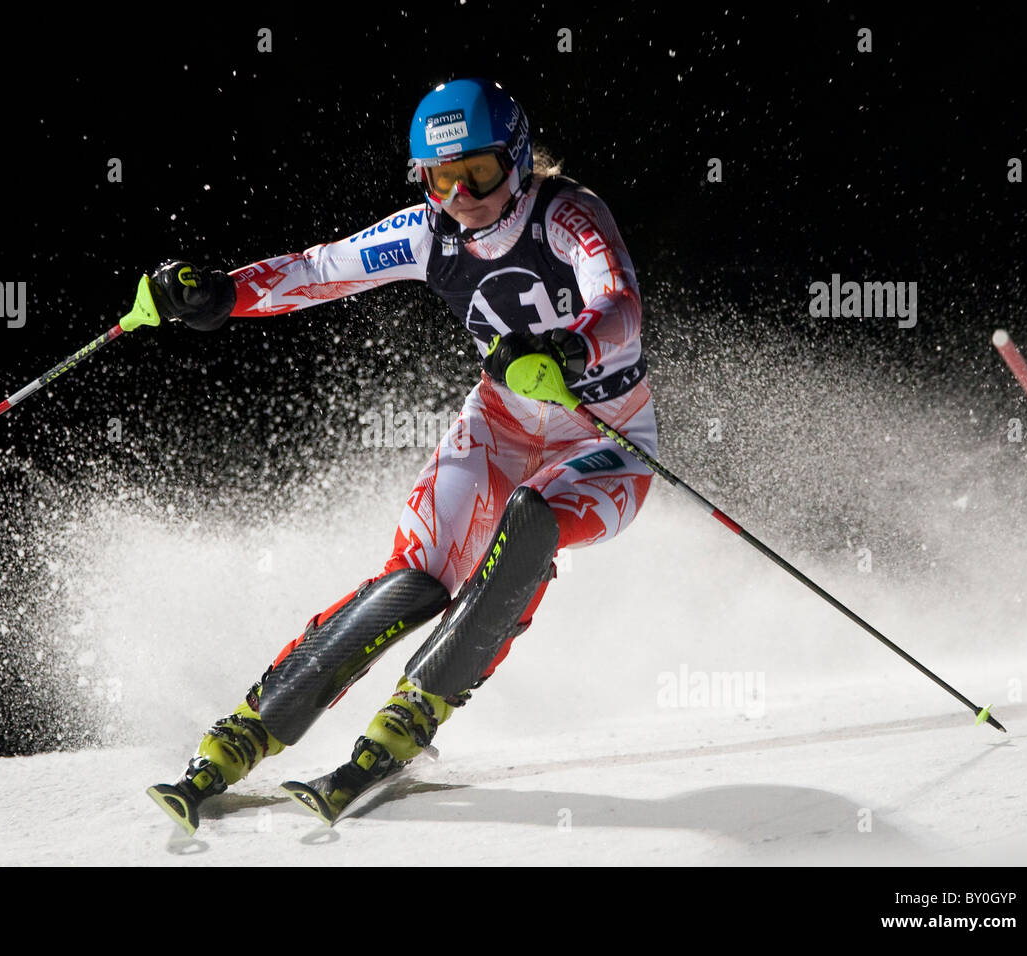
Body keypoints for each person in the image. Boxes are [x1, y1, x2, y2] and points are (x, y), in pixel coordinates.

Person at [146, 78, 657, 833]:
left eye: (477, 174)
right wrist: (225, 293)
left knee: (532, 523)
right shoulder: (429, 231)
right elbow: (322, 271)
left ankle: (415, 711)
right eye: (438, 178)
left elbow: (621, 304)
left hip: (607, 442)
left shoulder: (567, 216)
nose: (460, 195)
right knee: (416, 578)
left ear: (515, 159)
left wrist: (569, 346)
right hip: (501, 426)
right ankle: (250, 728)